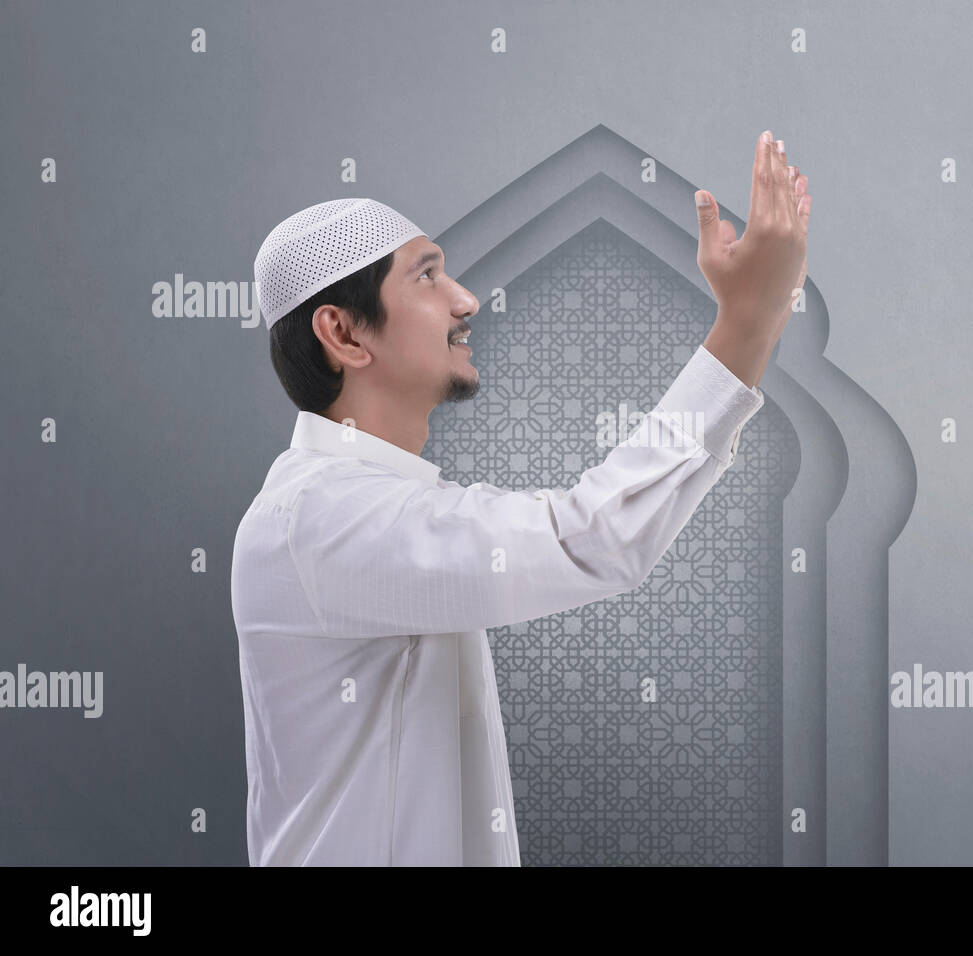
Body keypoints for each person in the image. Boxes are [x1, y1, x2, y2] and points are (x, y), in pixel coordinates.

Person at [230, 130, 811, 865]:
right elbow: (593, 539)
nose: (465, 300)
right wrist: (748, 324)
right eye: (426, 278)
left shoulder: (360, 504)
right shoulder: (318, 521)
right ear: (342, 332)